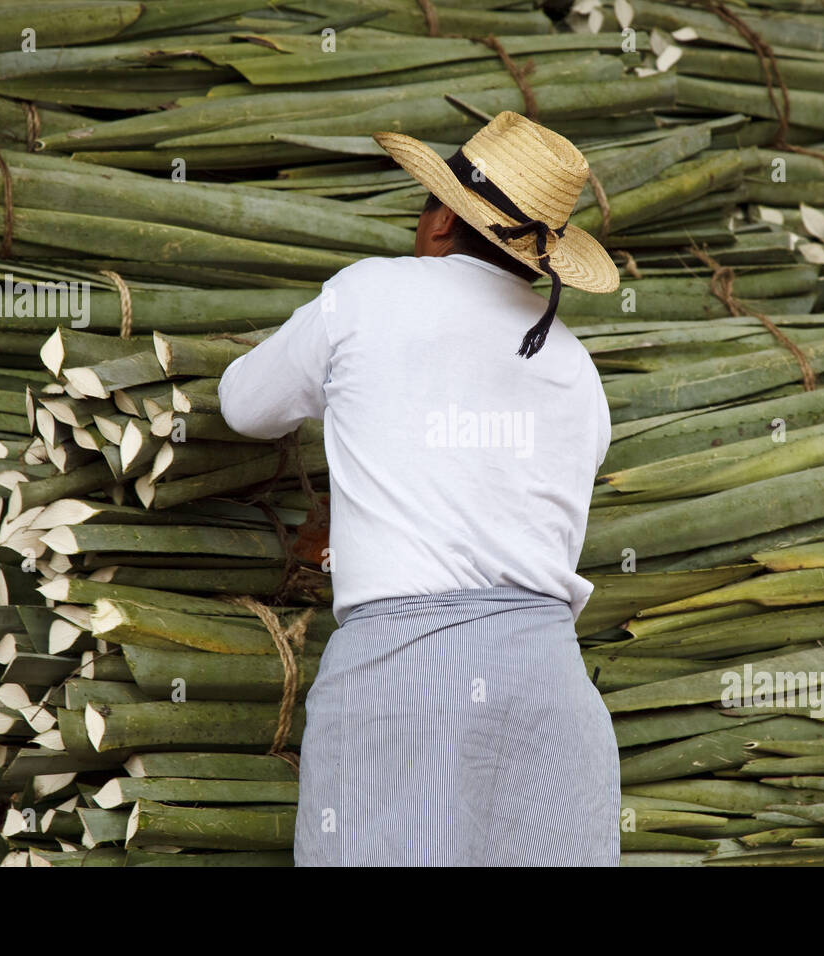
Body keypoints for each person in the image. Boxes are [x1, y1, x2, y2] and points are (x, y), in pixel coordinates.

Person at [217, 111, 621, 866]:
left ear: (440, 221)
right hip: (550, 690)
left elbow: (246, 405)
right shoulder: (577, 368)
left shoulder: (368, 295)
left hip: (406, 677)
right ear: (540, 261)